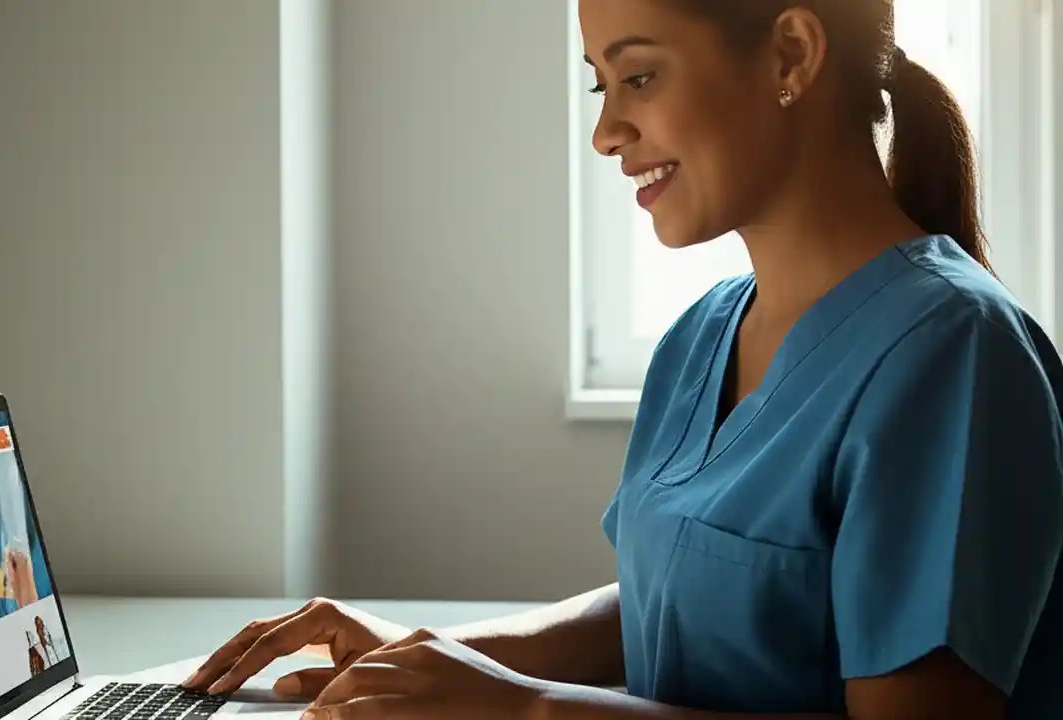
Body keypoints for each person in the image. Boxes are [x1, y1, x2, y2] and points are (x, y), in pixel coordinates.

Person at [182, 1, 1063, 718]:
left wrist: (530, 711)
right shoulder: (702, 336)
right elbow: (681, 598)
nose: (606, 132)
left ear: (791, 55)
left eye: (638, 77)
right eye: (600, 85)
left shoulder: (954, 353)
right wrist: (429, 656)